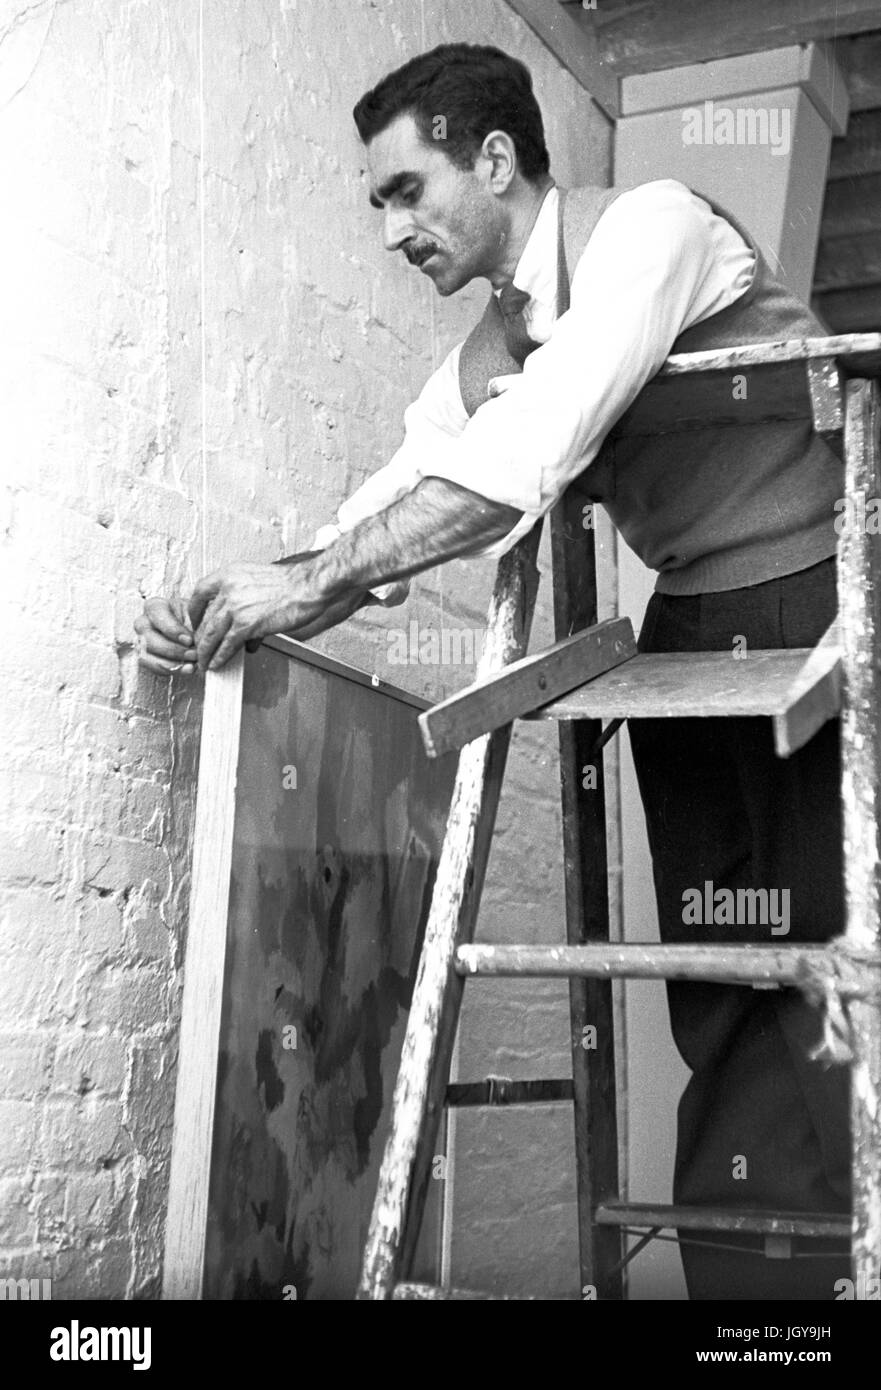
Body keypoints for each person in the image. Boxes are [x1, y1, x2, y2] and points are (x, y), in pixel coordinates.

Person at [136, 43, 849, 1299]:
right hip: (690, 632)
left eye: (406, 190)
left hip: (820, 608)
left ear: (497, 159)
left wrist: (305, 583)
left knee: (818, 978)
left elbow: (531, 448)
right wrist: (245, 585)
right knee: (714, 984)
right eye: (380, 204)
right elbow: (393, 503)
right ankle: (743, 1301)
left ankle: (832, 1287)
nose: (393, 230)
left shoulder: (654, 229)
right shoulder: (488, 343)